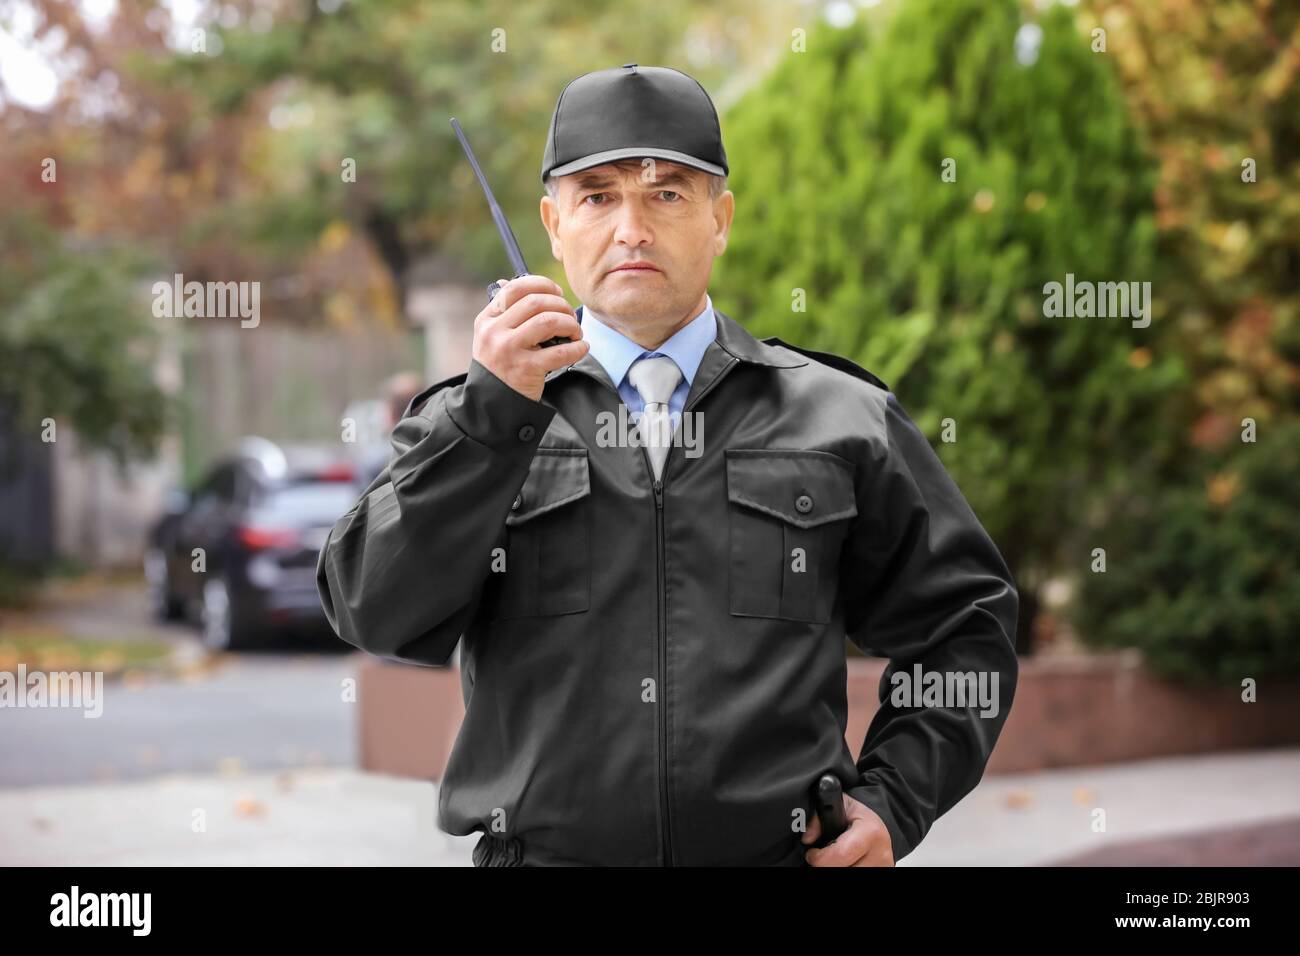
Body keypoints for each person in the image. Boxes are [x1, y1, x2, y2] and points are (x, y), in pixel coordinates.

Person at [316, 64, 1019, 867]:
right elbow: (373, 611)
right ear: (553, 224)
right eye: (598, 196)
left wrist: (896, 801)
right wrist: (490, 419)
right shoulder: (472, 416)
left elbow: (966, 624)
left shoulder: (837, 414)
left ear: (720, 219)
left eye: (668, 194)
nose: (632, 229)